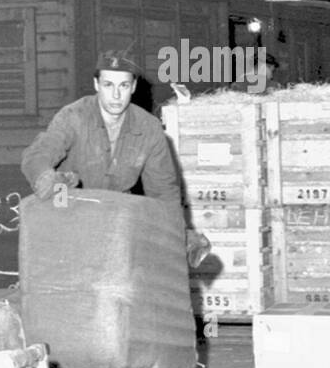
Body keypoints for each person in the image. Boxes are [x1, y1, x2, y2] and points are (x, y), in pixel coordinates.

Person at [21, 51, 210, 266]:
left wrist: (176, 233)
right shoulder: (73, 116)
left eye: (123, 86)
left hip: (116, 217)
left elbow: (163, 190)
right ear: (96, 84)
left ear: (134, 87)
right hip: (69, 207)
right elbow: (39, 153)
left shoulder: (148, 128)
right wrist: (46, 178)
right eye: (108, 85)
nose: (116, 95)